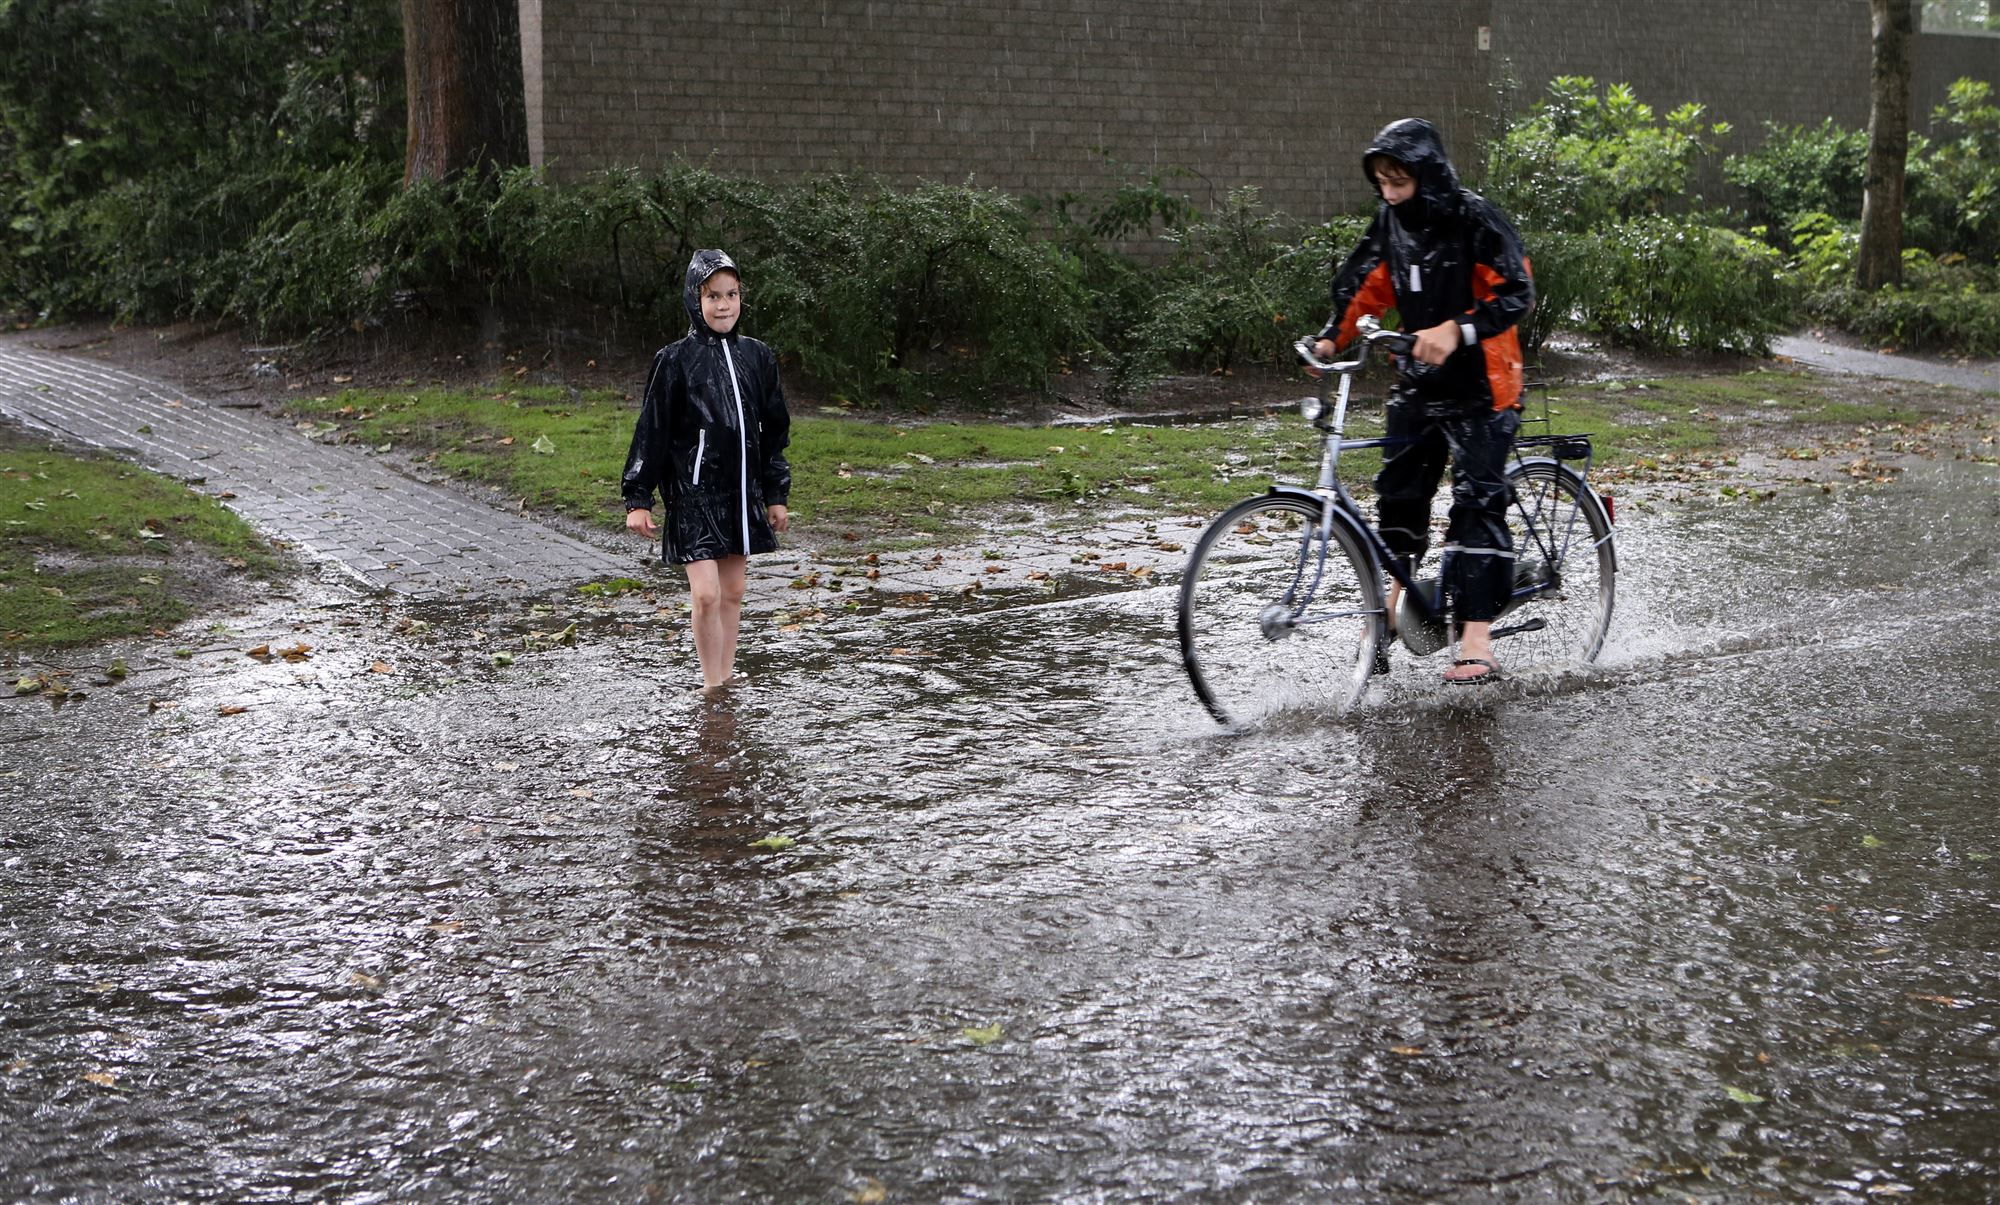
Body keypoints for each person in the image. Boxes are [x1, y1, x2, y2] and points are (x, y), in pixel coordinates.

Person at [1310, 118, 1534, 684]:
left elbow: (1516, 290)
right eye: (1382, 183)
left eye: (1399, 182)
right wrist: (1331, 339)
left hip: (1483, 385)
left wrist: (1457, 330)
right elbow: (1364, 284)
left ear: (1426, 177)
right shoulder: (1390, 223)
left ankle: (1477, 641)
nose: (1389, 194)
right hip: (1420, 380)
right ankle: (1388, 614)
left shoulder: (1475, 219)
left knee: (1476, 503)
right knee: (1399, 493)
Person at [622, 249, 792, 690]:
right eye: (713, 296)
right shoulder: (675, 360)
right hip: (693, 494)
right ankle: (711, 684)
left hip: (741, 492)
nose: (723, 305)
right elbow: (652, 430)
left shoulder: (757, 356)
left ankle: (725, 678)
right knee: (706, 593)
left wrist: (775, 493)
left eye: (731, 294)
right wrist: (638, 497)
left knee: (733, 592)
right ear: (694, 300)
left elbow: (774, 431)